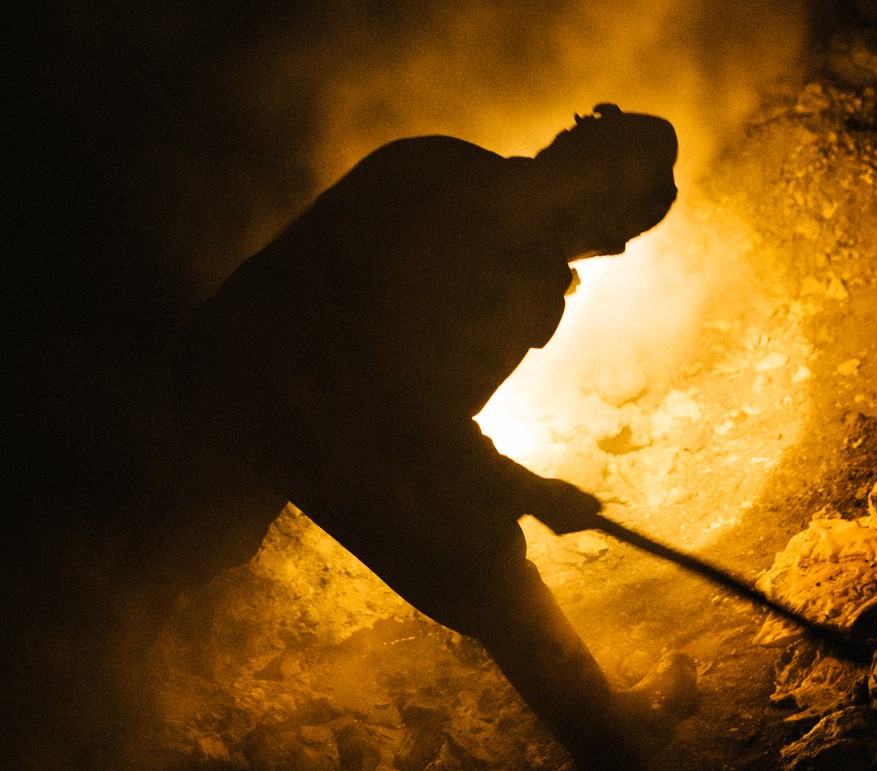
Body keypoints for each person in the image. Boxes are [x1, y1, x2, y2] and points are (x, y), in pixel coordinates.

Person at [168, 104, 695, 768]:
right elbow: (411, 421)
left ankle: (74, 691)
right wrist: (526, 489)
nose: (608, 250)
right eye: (618, 233)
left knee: (163, 551)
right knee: (493, 576)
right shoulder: (525, 282)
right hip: (289, 412)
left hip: (222, 360)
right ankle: (619, 751)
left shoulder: (433, 158)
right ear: (607, 224)